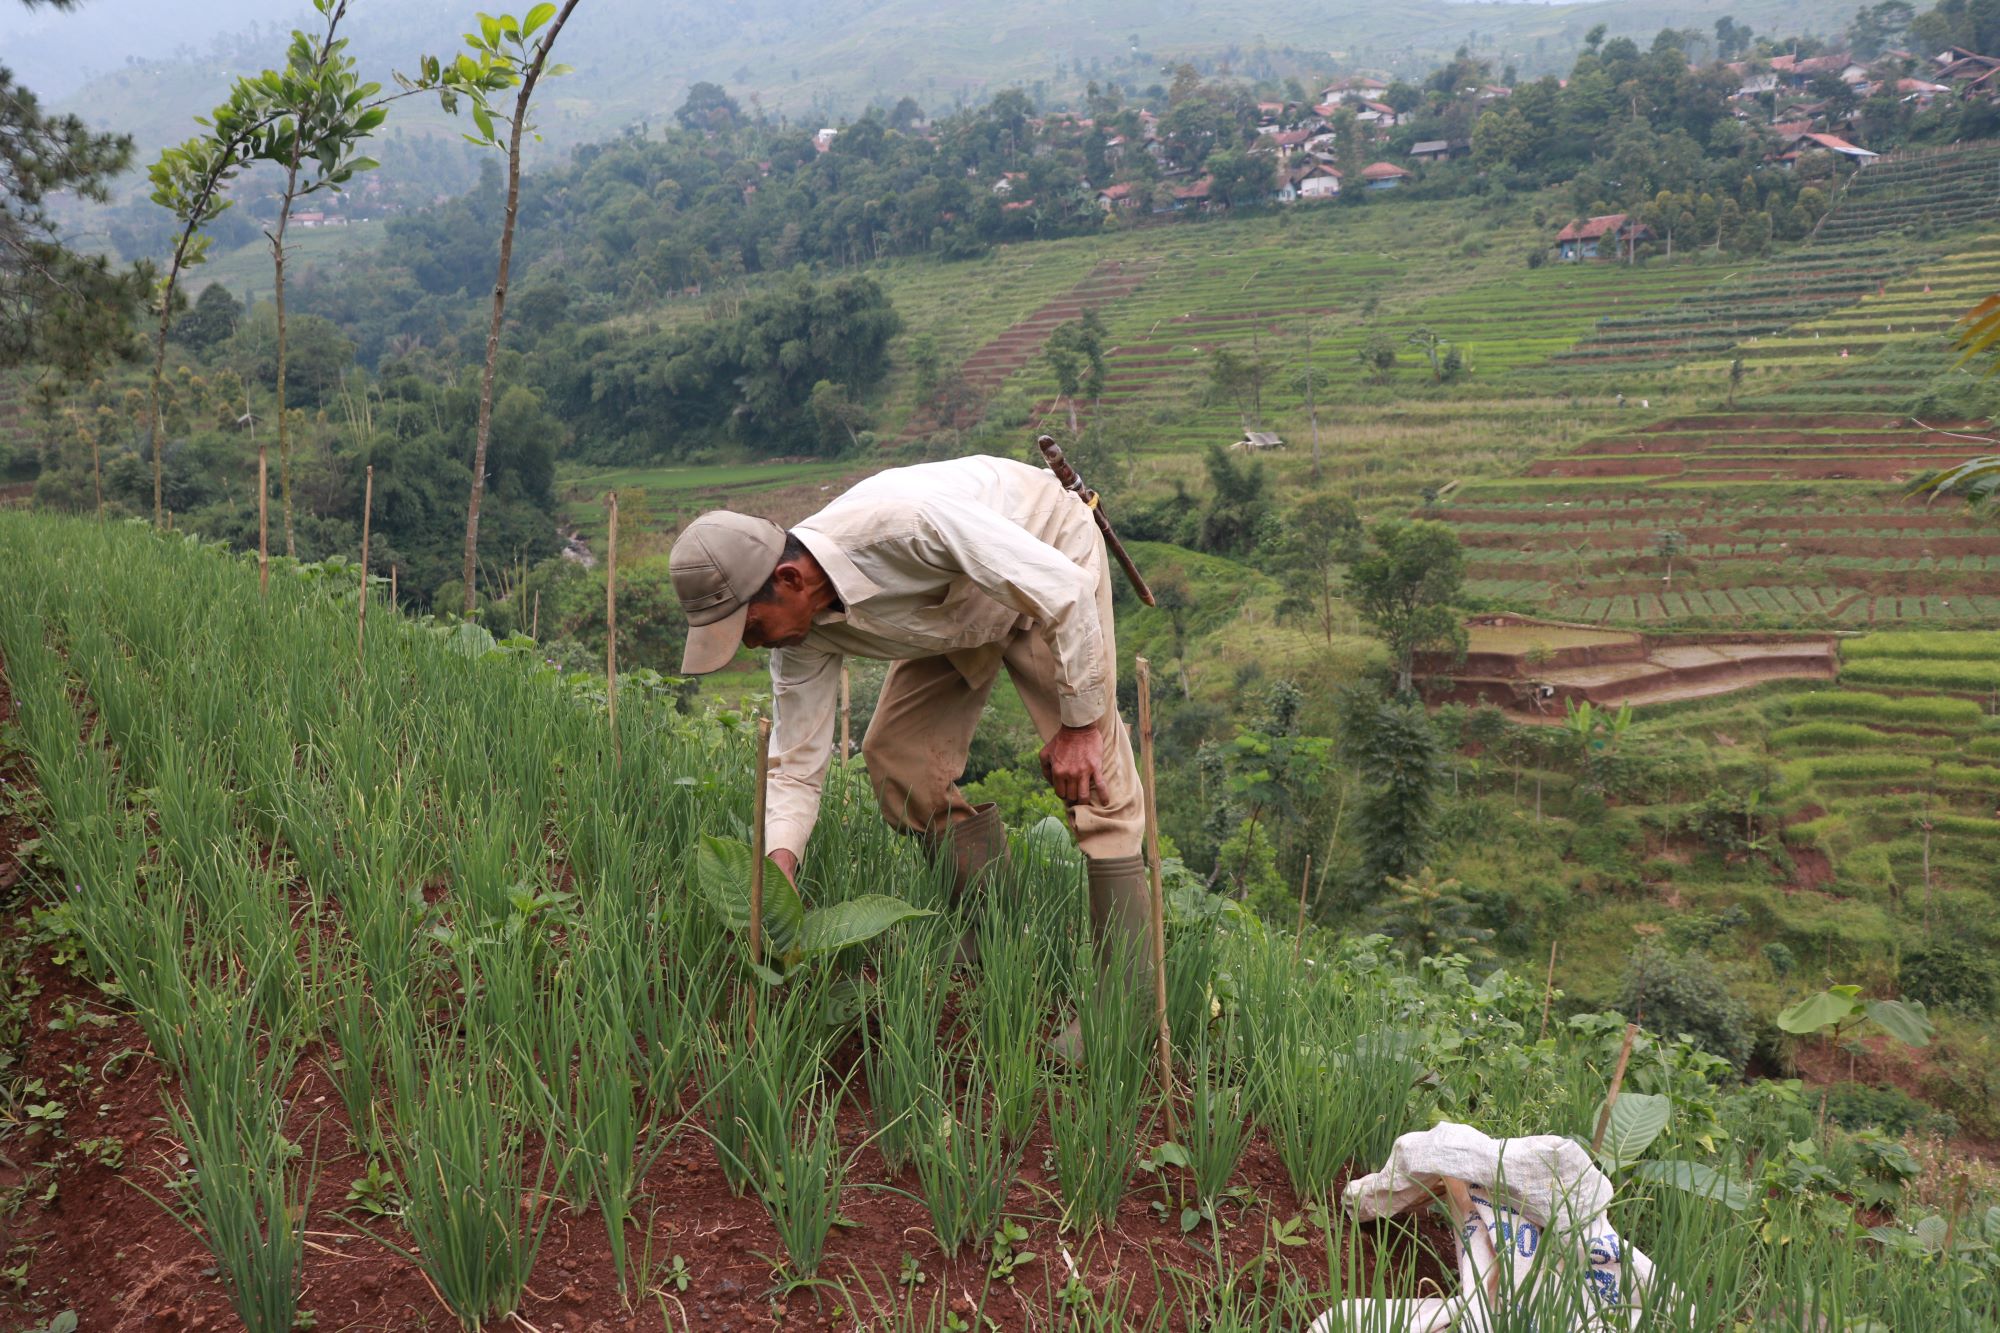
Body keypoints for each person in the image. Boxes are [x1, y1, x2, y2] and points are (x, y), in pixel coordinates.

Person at [668, 454, 1148, 1057]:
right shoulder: (800, 634)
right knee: (900, 760)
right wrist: (779, 865)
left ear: (789, 579)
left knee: (1095, 783)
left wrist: (1081, 729)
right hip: (957, 613)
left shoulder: (905, 527)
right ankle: (994, 932)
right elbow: (794, 764)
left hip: (1045, 566)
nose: (747, 644)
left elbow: (1066, 591)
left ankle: (1123, 1004)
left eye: (749, 626)